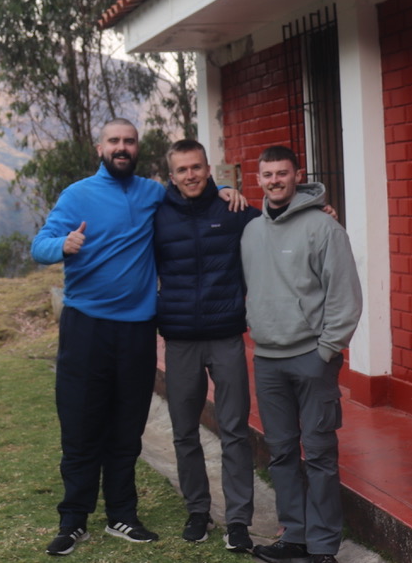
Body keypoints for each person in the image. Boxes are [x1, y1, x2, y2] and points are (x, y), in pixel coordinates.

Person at [32, 119, 243, 556]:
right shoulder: (77, 195)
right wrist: (61, 246)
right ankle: (73, 520)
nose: (122, 147)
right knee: (81, 424)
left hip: (137, 330)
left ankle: (122, 515)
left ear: (137, 148)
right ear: (100, 147)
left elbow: (191, 187)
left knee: (128, 427)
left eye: (129, 141)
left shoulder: (151, 192)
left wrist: (223, 189)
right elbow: (39, 245)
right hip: (86, 326)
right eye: (114, 141)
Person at [240, 145, 363, 563]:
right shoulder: (251, 232)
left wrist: (326, 351)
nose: (274, 180)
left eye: (282, 173)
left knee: (320, 454)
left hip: (312, 358)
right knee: (281, 453)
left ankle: (324, 547)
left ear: (297, 175)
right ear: (258, 179)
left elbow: (345, 297)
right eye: (267, 174)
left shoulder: (324, 228)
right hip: (267, 360)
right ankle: (294, 537)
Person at [153, 138, 260, 553]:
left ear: (208, 168)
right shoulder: (157, 214)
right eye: (182, 170)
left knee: (234, 431)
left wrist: (317, 211)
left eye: (196, 167)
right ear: (172, 175)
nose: (190, 175)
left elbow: (276, 220)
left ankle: (239, 520)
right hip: (180, 339)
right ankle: (198, 511)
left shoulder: (231, 210)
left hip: (226, 336)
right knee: (185, 432)